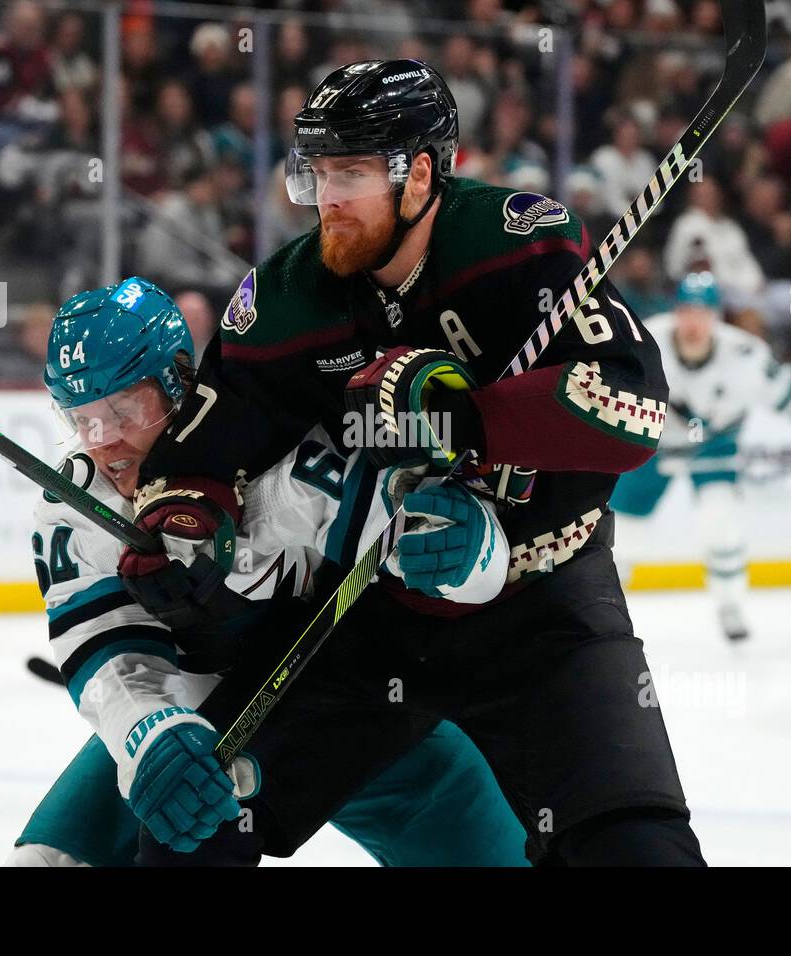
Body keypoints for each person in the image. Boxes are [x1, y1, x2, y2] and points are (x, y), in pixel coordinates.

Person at [116, 60, 702, 866]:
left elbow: (632, 411)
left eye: (351, 173)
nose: (327, 198)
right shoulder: (285, 299)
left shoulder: (517, 248)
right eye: (318, 173)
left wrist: (471, 421)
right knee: (195, 820)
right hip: (366, 610)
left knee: (638, 849)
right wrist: (183, 525)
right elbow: (200, 455)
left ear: (420, 173)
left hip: (541, 605)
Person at [11, 276, 528, 866]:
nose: (103, 442)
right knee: (47, 862)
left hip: (349, 708)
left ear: (178, 382)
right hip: (200, 717)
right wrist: (151, 733)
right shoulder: (76, 504)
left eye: (122, 411)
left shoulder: (275, 455)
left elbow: (433, 543)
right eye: (82, 419)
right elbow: (104, 645)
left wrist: (465, 551)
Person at [609, 273, 791, 641]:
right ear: (676, 311)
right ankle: (607, 604)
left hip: (714, 446)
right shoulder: (644, 341)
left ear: (717, 316)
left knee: (720, 522)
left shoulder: (745, 356)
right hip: (654, 445)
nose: (694, 322)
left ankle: (730, 605)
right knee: (623, 532)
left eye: (703, 313)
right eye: (687, 311)